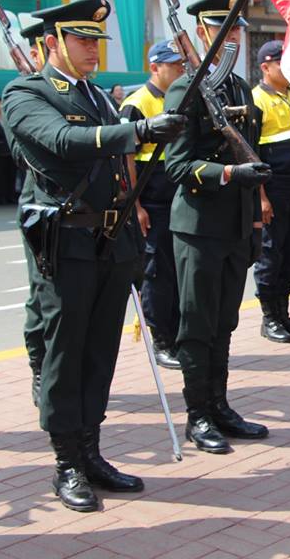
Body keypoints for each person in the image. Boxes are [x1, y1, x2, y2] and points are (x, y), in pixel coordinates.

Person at [3, 0, 186, 511]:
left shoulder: (98, 96)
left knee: (100, 351)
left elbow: (118, 165)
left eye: (95, 41)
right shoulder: (27, 93)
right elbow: (63, 140)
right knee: (66, 353)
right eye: (82, 40)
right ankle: (66, 462)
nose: (92, 49)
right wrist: (140, 130)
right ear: (51, 43)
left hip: (110, 241)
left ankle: (91, 451)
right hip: (66, 243)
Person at [164, 0, 271, 454]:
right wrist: (227, 174)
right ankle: (198, 415)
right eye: (222, 29)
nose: (233, 39)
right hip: (199, 225)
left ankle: (219, 405)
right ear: (201, 32)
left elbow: (250, 153)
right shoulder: (184, 89)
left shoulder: (239, 89)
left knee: (225, 321)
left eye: (237, 30)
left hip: (235, 224)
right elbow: (176, 165)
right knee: (197, 323)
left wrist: (255, 218)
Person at [119, 40, 186, 370]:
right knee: (157, 275)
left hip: (179, 201)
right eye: (173, 65)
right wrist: (136, 207)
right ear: (155, 67)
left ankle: (177, 336)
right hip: (153, 203)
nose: (180, 70)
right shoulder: (136, 104)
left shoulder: (182, 98)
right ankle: (161, 341)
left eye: (181, 64)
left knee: (178, 274)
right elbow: (126, 158)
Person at [251, 39, 290, 343]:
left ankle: (283, 312)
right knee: (270, 254)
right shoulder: (256, 101)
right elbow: (250, 154)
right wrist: (261, 197)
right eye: (282, 63)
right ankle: (269, 318)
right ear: (266, 67)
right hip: (273, 188)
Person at [14, 20, 47, 405]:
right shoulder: (23, 95)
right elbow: (23, 154)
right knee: (41, 290)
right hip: (38, 205)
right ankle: (40, 365)